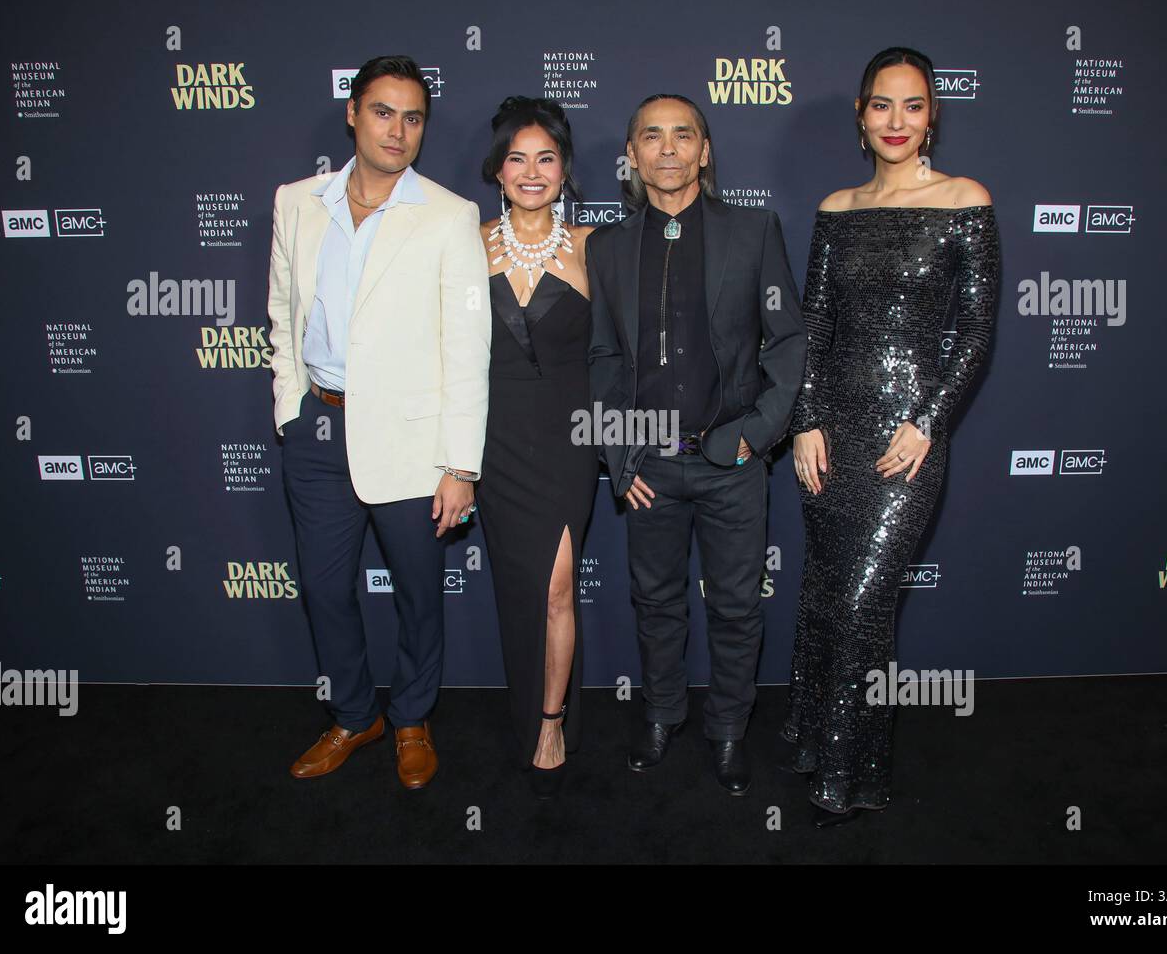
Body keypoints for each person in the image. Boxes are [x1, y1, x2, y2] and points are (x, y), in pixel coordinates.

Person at [782, 47, 1000, 826]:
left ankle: (853, 767)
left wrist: (929, 423)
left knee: (865, 602)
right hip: (831, 435)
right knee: (823, 592)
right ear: (861, 115)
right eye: (882, 105)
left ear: (932, 113)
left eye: (912, 106)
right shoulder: (836, 209)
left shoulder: (964, 199)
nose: (897, 121)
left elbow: (974, 333)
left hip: (906, 440)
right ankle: (811, 735)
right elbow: (816, 326)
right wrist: (804, 419)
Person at [267, 55, 491, 790]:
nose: (398, 130)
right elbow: (281, 311)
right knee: (326, 591)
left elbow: (467, 348)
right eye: (384, 112)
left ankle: (413, 718)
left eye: (413, 117)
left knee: (419, 594)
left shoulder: (450, 215)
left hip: (412, 442)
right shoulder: (297, 202)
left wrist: (460, 464)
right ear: (353, 114)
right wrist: (289, 407)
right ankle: (355, 714)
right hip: (318, 431)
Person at [587, 93, 806, 795]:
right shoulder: (609, 247)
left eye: (684, 134)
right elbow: (603, 360)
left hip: (731, 461)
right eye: (652, 134)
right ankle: (661, 714)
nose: (669, 147)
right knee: (655, 601)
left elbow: (790, 341)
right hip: (647, 462)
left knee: (738, 607)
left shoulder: (752, 230)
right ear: (633, 155)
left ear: (705, 152)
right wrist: (618, 454)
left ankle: (729, 729)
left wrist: (758, 439)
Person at [473, 97, 598, 798]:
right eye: (517, 157)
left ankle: (551, 718)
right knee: (519, 587)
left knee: (556, 584)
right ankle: (527, 705)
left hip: (566, 437)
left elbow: (615, 355)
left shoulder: (591, 248)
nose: (531, 170)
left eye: (545, 158)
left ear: (564, 169)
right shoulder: (466, 244)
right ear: (497, 168)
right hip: (491, 439)